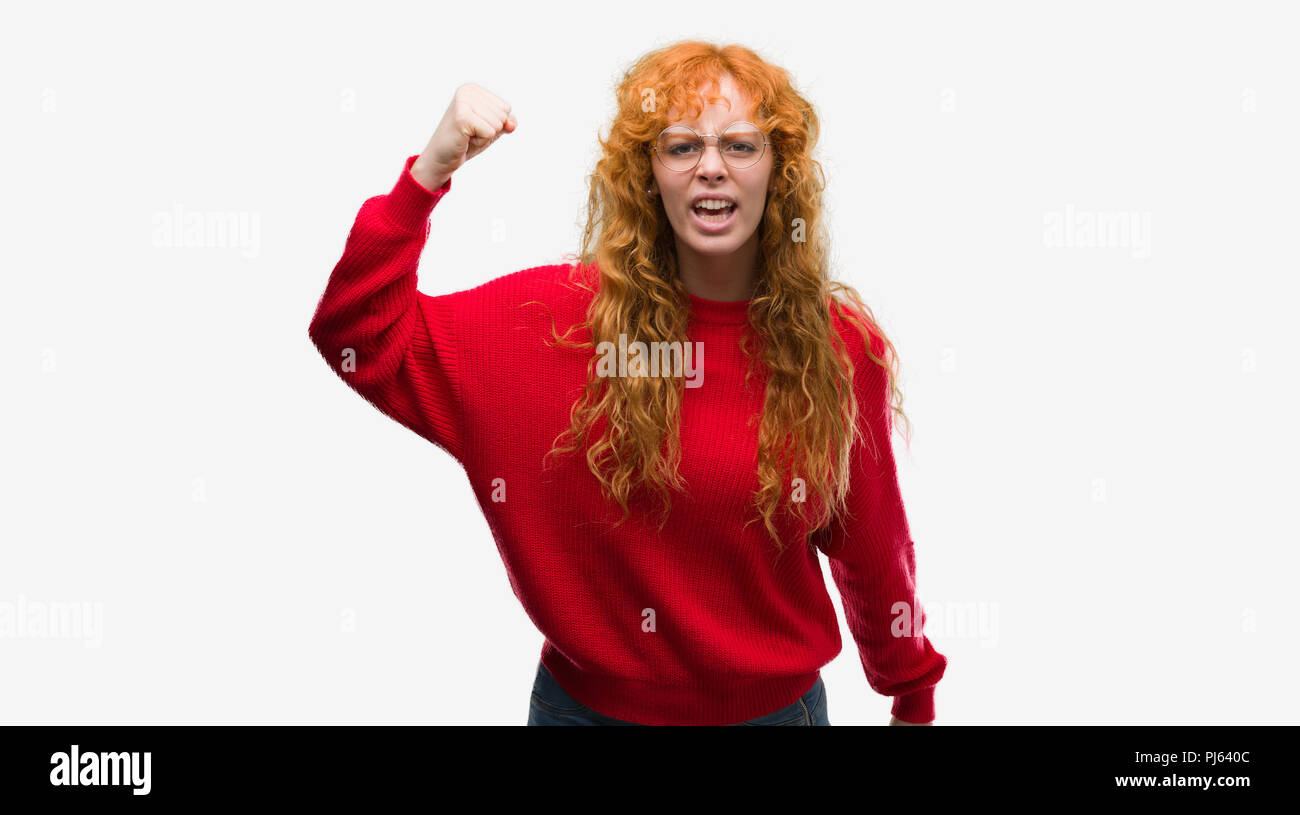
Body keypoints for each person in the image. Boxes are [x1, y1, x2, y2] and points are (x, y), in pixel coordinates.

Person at [307, 40, 947, 726]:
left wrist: (911, 693)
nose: (710, 168)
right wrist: (429, 173)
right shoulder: (546, 325)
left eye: (739, 145)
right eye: (679, 148)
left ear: (778, 171)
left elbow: (874, 549)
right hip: (581, 712)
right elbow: (356, 335)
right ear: (647, 173)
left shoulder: (839, 349)